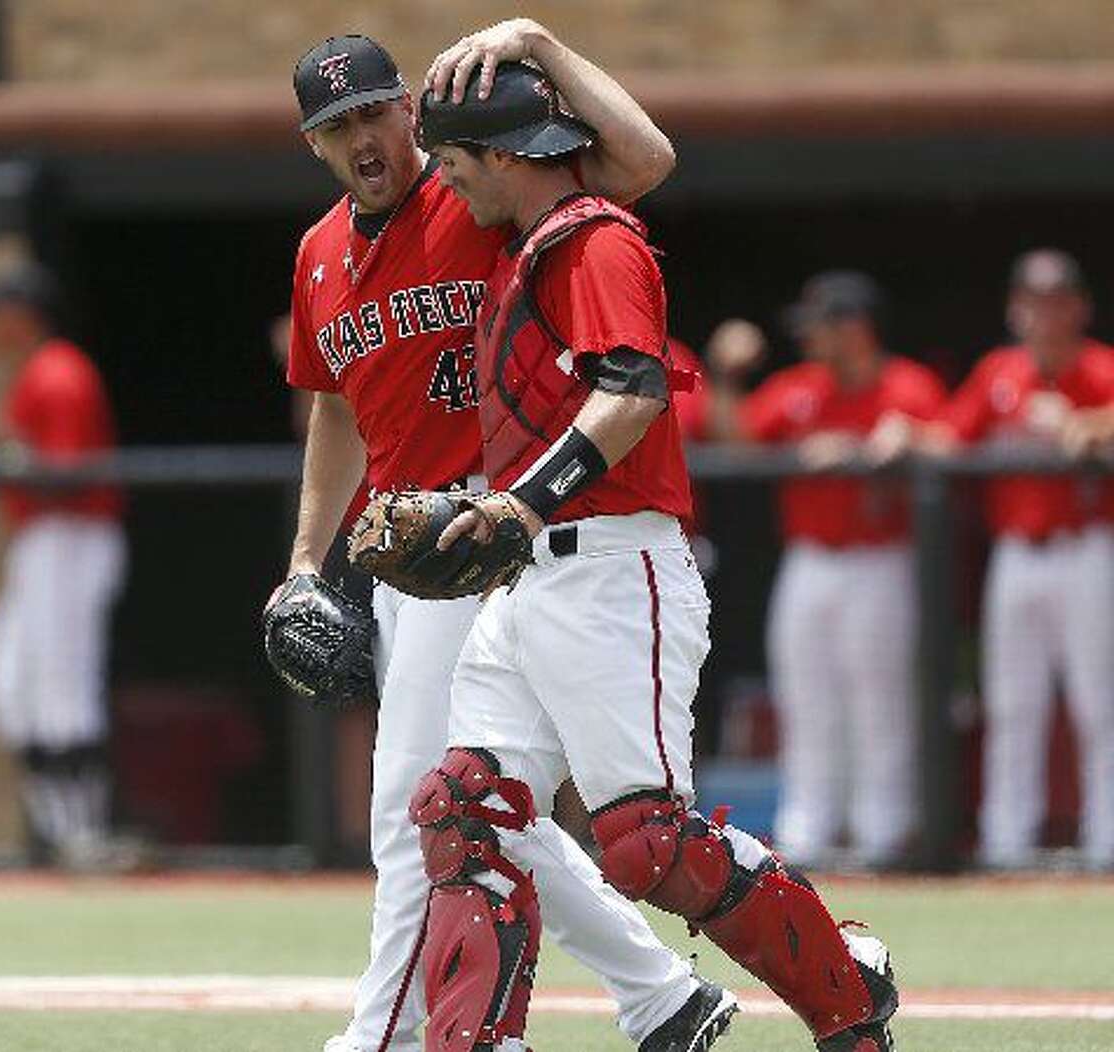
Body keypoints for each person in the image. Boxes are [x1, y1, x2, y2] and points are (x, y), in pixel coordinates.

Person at [414, 65, 899, 1052]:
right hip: (535, 569)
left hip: (610, 565)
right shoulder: (528, 240)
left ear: (506, 154)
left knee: (645, 842)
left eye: (456, 161)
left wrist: (537, 37)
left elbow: (634, 390)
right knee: (466, 809)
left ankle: (848, 997)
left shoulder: (594, 239)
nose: (446, 183)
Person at [278, 22, 729, 1052]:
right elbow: (334, 407)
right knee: (476, 804)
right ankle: (662, 990)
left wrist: (540, 44)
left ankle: (379, 1034)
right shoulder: (316, 258)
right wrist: (306, 561)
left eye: (372, 113)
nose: (361, 140)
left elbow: (645, 163)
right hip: (406, 545)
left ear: (410, 111)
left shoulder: (480, 191)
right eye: (333, 126)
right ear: (310, 144)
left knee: (409, 802)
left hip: (499, 514)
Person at [706, 273, 947, 868]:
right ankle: (809, 828)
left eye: (820, 325)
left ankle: (883, 832)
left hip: (879, 559)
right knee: (806, 696)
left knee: (881, 698)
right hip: (810, 560)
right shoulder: (798, 389)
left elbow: (952, 438)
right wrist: (729, 376)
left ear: (854, 328)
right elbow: (736, 439)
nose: (809, 336)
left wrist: (906, 438)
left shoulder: (907, 385)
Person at [922, 249, 1114, 870]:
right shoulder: (999, 372)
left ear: (1080, 307)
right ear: (1015, 308)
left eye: (1057, 299)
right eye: (1033, 300)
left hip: (1086, 549)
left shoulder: (1102, 369)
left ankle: (1106, 842)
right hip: (1018, 556)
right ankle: (1008, 845)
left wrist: (1087, 423)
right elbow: (950, 433)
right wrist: (902, 432)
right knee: (1012, 702)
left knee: (1099, 703)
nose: (1044, 312)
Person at [0, 261, 127, 866]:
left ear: (20, 315)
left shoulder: (59, 371)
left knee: (64, 691)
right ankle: (63, 832)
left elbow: (65, 474)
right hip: (40, 542)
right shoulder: (36, 373)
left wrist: (5, 453)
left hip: (72, 536)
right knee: (9, 691)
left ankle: (85, 834)